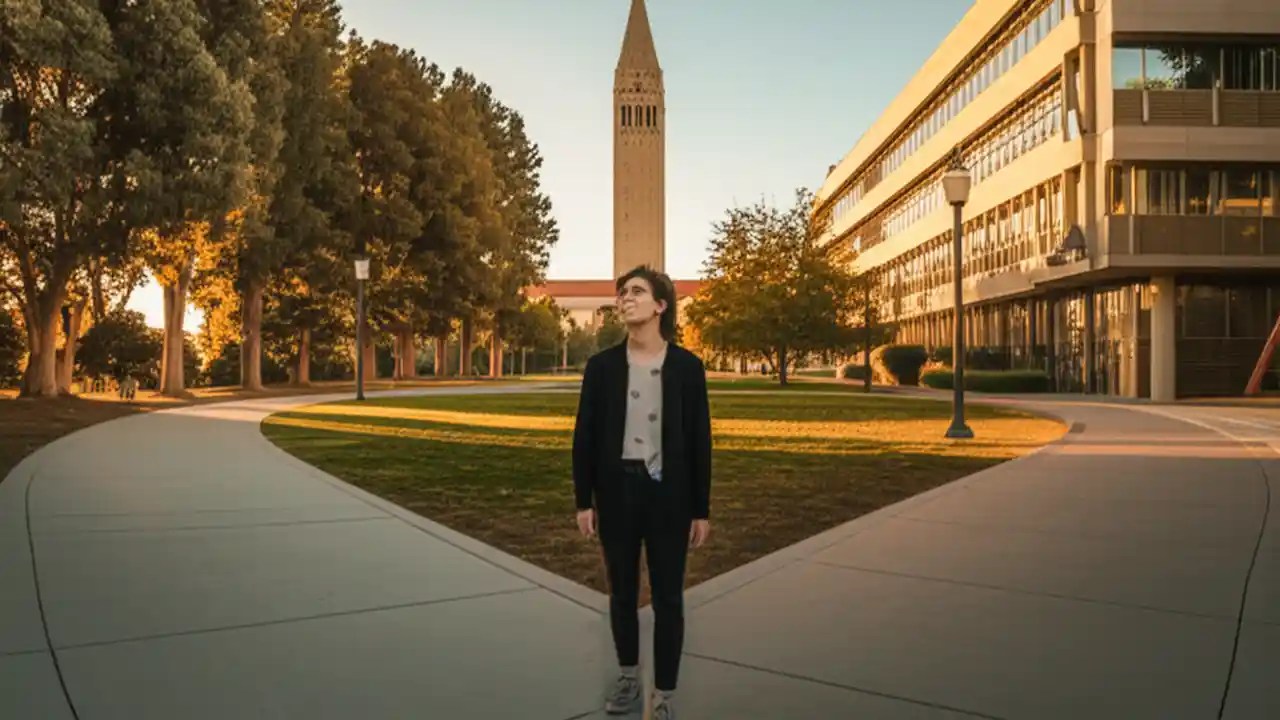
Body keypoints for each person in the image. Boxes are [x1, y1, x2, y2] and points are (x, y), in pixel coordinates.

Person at [572, 265, 713, 720]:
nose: (625, 299)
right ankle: (630, 676)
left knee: (669, 596)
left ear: (660, 305)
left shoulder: (688, 368)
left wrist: (700, 509)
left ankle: (664, 694)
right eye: (621, 293)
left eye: (636, 291)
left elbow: (699, 441)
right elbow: (585, 436)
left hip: (669, 496)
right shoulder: (602, 367)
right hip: (617, 495)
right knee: (622, 593)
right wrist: (583, 500)